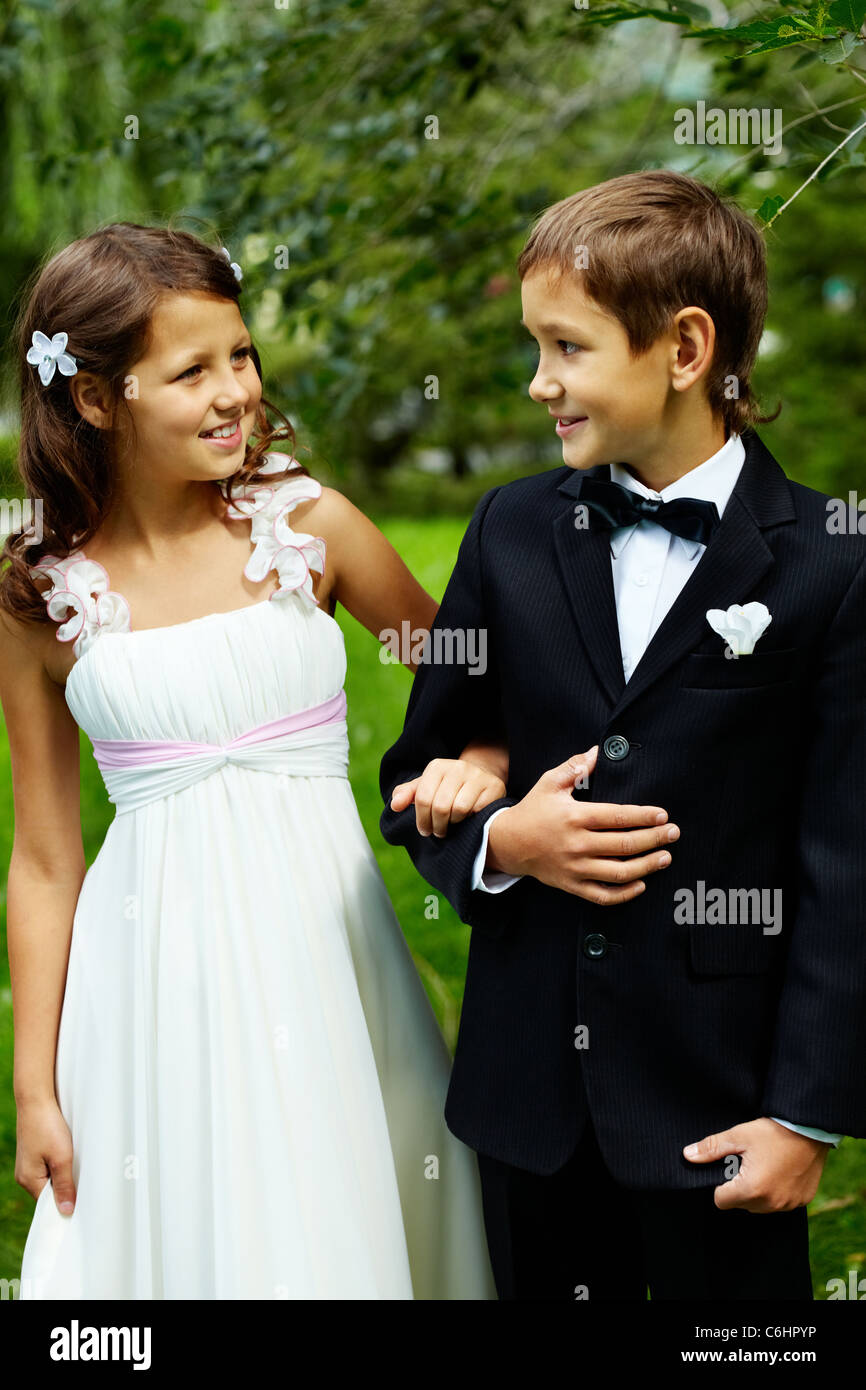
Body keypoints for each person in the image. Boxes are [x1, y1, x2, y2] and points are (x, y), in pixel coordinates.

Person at [379, 169, 866, 1301]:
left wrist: (804, 1113)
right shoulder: (507, 529)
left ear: (684, 347)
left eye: (565, 347)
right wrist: (502, 842)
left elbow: (846, 868)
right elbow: (416, 773)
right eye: (531, 346)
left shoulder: (832, 567)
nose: (539, 382)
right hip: (525, 1101)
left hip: (720, 1110)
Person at [0, 222, 505, 1299]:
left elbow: (464, 680)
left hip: (327, 953)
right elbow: (45, 860)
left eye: (241, 354)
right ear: (97, 398)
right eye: (191, 370)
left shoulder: (306, 527)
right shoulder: (39, 593)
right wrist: (34, 1087)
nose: (235, 390)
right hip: (150, 978)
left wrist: (484, 756)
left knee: (344, 1203)